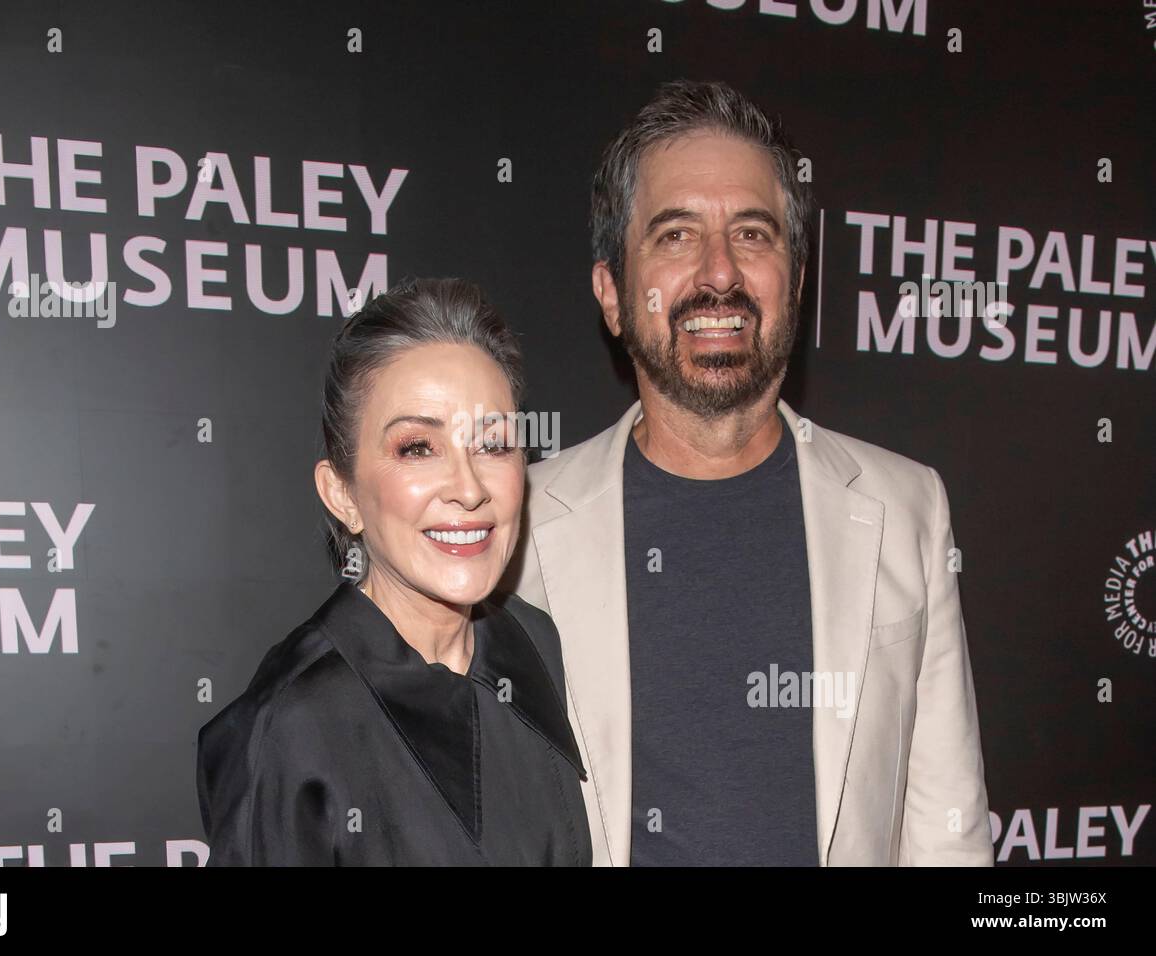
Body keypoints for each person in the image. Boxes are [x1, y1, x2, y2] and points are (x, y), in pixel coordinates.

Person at [502, 79, 994, 866]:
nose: (720, 273)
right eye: (676, 235)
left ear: (795, 284)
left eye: (754, 234)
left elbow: (948, 828)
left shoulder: (907, 507)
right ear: (613, 294)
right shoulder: (514, 525)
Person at [197, 277, 591, 865]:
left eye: (492, 444)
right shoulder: (291, 725)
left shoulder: (531, 643)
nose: (468, 489)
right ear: (343, 494)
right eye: (417, 448)